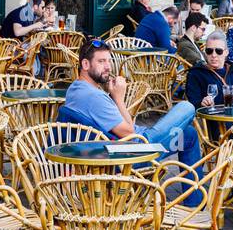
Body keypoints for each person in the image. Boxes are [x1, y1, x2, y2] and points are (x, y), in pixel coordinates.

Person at [59, 39, 202, 168]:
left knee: (188, 135)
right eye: (101, 61)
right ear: (85, 64)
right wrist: (118, 98)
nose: (108, 67)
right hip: (136, 152)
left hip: (113, 148)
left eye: (109, 61)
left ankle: (194, 198)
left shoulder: (75, 88)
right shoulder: (94, 97)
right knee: (187, 107)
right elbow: (130, 134)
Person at [185, 30, 233, 108]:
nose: (213, 55)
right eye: (209, 51)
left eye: (219, 51)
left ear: (226, 52)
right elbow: (192, 103)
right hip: (211, 117)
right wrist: (202, 103)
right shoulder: (196, 73)